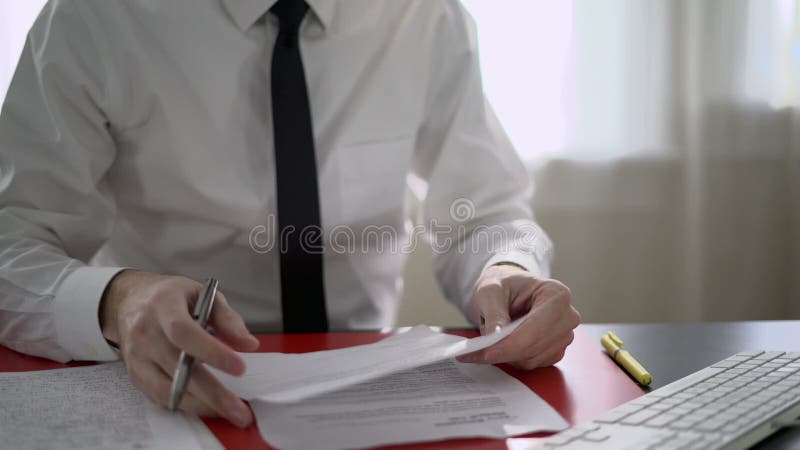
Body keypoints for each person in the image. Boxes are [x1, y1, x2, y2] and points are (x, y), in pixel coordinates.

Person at [0, 0, 580, 428]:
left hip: (372, 392)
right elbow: (12, 242)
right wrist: (119, 301)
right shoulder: (94, 18)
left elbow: (485, 212)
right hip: (174, 388)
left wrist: (507, 269)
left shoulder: (423, 14)